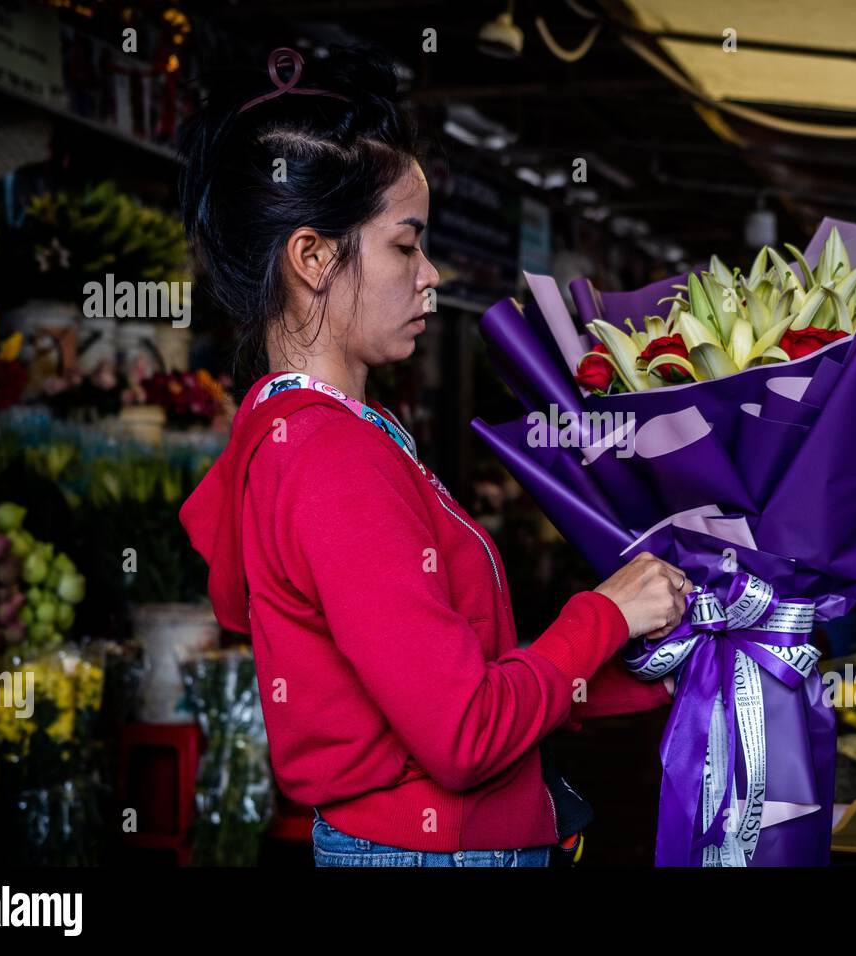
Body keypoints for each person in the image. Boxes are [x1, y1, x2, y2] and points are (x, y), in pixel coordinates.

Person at [177, 45, 686, 868]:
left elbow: (468, 679)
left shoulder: (317, 434)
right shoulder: (331, 459)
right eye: (406, 246)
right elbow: (461, 733)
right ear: (312, 258)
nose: (431, 275)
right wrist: (606, 614)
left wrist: (648, 669)